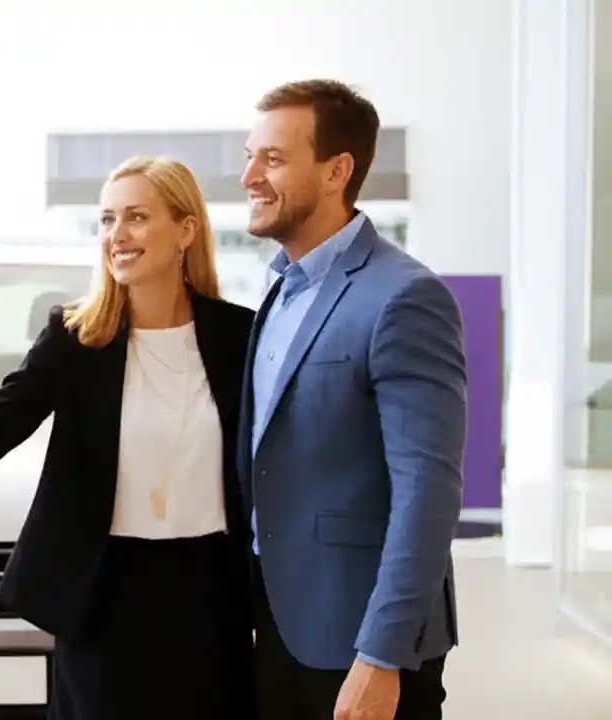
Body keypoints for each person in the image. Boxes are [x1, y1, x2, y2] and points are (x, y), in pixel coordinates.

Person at [0, 156, 257, 720]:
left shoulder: (240, 336)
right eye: (107, 219)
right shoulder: (76, 337)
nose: (117, 234)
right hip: (105, 595)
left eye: (136, 217)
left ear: (186, 229)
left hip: (210, 594)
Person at [238, 79, 466, 720]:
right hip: (279, 624)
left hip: (361, 640)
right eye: (251, 157)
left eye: (273, 159)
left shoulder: (404, 296)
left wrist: (381, 655)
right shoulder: (280, 291)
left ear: (337, 170)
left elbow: (428, 492)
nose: (249, 177)